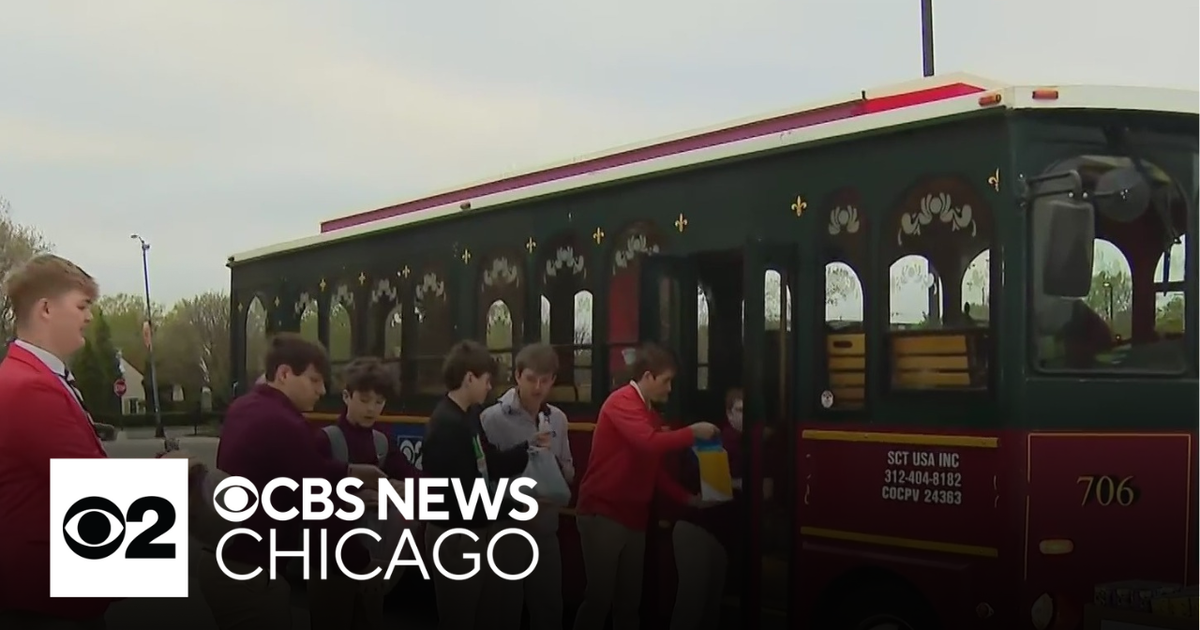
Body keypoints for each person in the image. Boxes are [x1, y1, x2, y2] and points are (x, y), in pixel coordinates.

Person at [198, 333, 388, 630]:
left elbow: (292, 469)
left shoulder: (246, 407)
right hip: (251, 572)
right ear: (285, 374)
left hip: (225, 560)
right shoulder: (284, 423)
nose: (321, 390)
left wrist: (348, 472)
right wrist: (362, 562)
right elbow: (316, 506)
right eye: (314, 380)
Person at [572, 343, 720, 630]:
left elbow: (653, 470)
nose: (669, 389)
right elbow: (648, 443)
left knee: (628, 605)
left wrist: (688, 499)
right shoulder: (621, 402)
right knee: (598, 601)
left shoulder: (648, 413)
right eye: (666, 381)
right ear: (648, 377)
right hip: (603, 514)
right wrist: (692, 432)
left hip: (632, 518)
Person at [0, 255, 111, 629]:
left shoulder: (24, 375)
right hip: (47, 602)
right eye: (82, 306)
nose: (89, 317)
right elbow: (94, 490)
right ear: (46, 309)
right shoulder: (31, 387)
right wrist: (175, 475)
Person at [421, 340, 550, 630]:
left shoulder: (466, 417)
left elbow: (487, 462)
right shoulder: (447, 425)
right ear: (469, 377)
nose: (489, 388)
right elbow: (465, 494)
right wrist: (521, 504)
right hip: (455, 535)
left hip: (471, 531)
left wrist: (528, 448)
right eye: (486, 380)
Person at [310, 357, 421, 630]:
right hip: (330, 560)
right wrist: (354, 498)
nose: (372, 408)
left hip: (371, 555)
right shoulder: (324, 440)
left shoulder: (381, 441)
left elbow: (416, 478)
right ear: (347, 396)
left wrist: (404, 489)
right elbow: (308, 498)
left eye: (379, 402)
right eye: (365, 399)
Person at [480, 343, 574, 630]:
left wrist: (555, 469)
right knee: (504, 608)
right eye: (532, 379)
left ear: (553, 381)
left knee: (549, 608)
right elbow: (485, 478)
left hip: (546, 529)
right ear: (517, 376)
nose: (538, 387)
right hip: (508, 528)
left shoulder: (557, 418)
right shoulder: (492, 419)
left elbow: (569, 469)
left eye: (545, 381)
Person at [669, 388, 746, 630]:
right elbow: (703, 482)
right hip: (697, 529)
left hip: (720, 535)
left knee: (710, 610)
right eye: (740, 410)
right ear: (729, 413)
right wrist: (741, 483)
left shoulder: (748, 443)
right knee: (691, 608)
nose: (744, 417)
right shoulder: (717, 440)